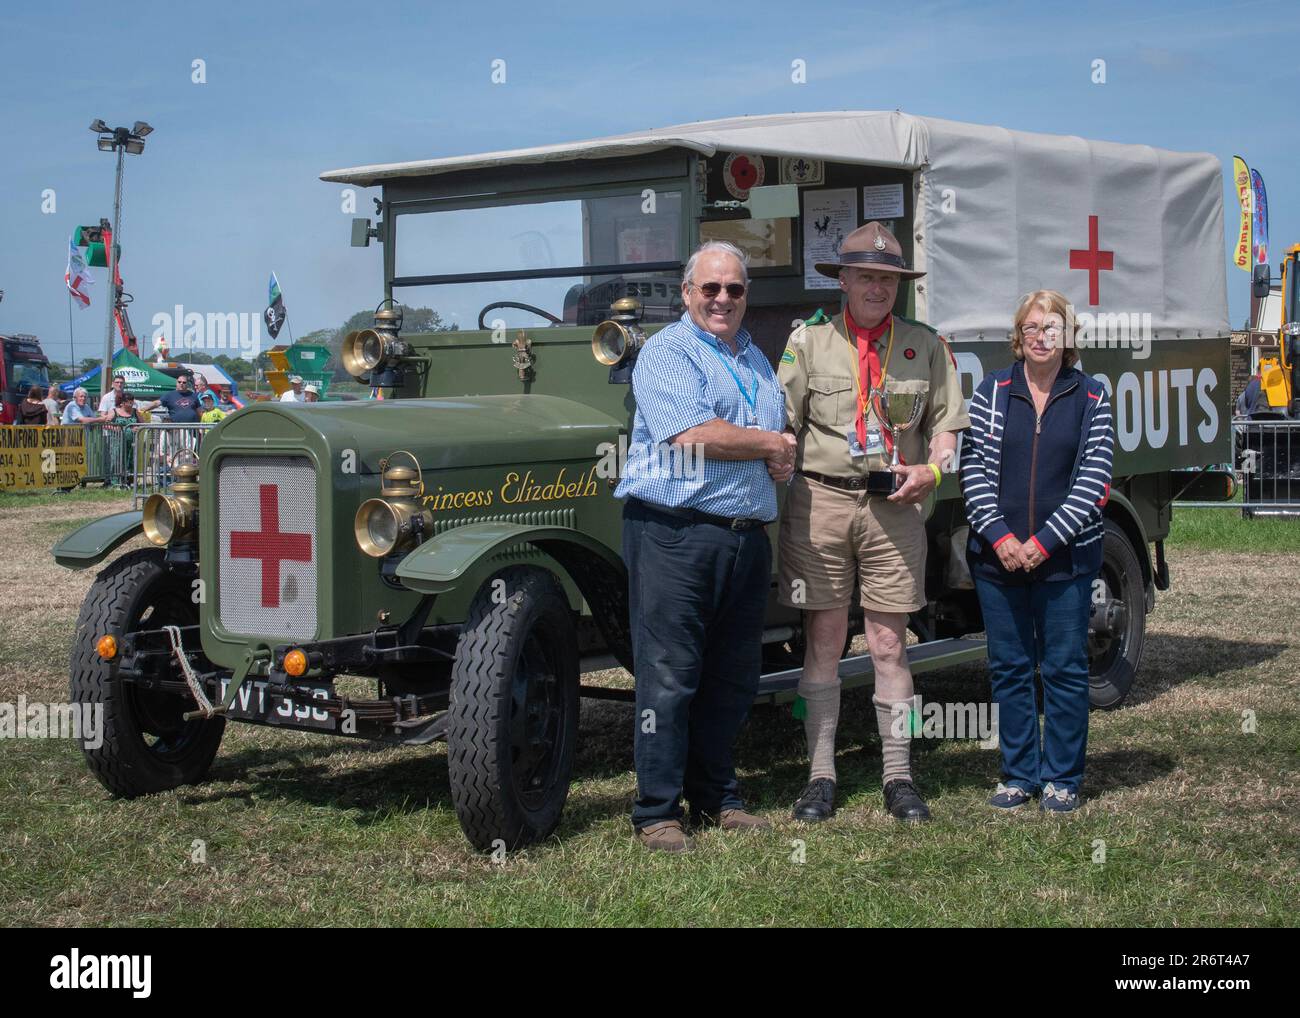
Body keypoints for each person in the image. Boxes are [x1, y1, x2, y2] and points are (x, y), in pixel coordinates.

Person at [777, 221, 969, 824]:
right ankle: (819, 776)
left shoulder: (925, 345)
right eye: (866, 277)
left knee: (890, 642)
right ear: (844, 280)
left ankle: (899, 776)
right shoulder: (809, 342)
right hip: (822, 504)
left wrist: (932, 472)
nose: (878, 288)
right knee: (824, 638)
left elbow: (947, 431)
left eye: (888, 279)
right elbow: (783, 423)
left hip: (895, 509)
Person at [614, 240, 793, 853]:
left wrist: (779, 458)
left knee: (732, 677)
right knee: (669, 675)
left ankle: (718, 797)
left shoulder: (755, 357)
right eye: (710, 288)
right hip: (675, 533)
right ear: (687, 293)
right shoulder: (668, 351)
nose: (722, 298)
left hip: (743, 538)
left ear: (746, 296)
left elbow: (770, 433)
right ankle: (657, 812)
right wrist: (770, 446)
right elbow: (691, 435)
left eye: (734, 289)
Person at [959, 290, 1114, 812]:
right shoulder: (992, 391)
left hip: (1065, 560)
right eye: (1031, 327)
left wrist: (1044, 543)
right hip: (997, 558)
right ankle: (1019, 774)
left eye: (1052, 328)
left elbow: (1094, 480)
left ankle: (1063, 778)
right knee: (1009, 667)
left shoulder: (1092, 396)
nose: (1041, 337)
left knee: (1064, 668)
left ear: (1068, 336)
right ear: (1018, 336)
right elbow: (971, 467)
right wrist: (1001, 538)